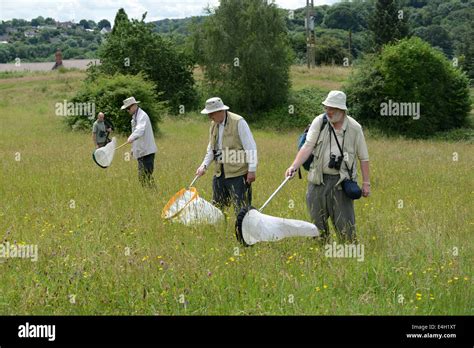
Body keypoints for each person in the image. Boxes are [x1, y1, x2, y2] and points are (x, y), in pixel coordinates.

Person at [285, 91, 371, 242]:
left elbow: (364, 158)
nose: (328, 112)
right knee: (316, 228)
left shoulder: (355, 128)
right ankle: (321, 256)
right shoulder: (320, 122)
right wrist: (294, 166)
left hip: (341, 183)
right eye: (326, 108)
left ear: (342, 110)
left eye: (332, 109)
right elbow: (307, 147)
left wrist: (366, 183)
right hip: (317, 181)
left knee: (346, 229)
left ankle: (348, 258)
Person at [196, 97, 257, 214]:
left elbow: (251, 147)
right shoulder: (214, 124)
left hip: (239, 174)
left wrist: (252, 170)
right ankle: (219, 231)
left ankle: (242, 231)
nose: (209, 117)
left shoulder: (239, 122)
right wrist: (203, 166)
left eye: (211, 113)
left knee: (241, 209)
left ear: (220, 111)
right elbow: (212, 148)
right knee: (217, 209)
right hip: (220, 173)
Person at [121, 97, 157, 187]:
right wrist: (133, 148)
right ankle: (149, 194)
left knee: (146, 176)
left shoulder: (142, 116)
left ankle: (153, 193)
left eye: (128, 108)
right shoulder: (134, 118)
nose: (128, 111)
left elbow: (139, 130)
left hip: (147, 152)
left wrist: (131, 137)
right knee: (142, 177)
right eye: (126, 109)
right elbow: (136, 135)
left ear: (134, 106)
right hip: (141, 152)